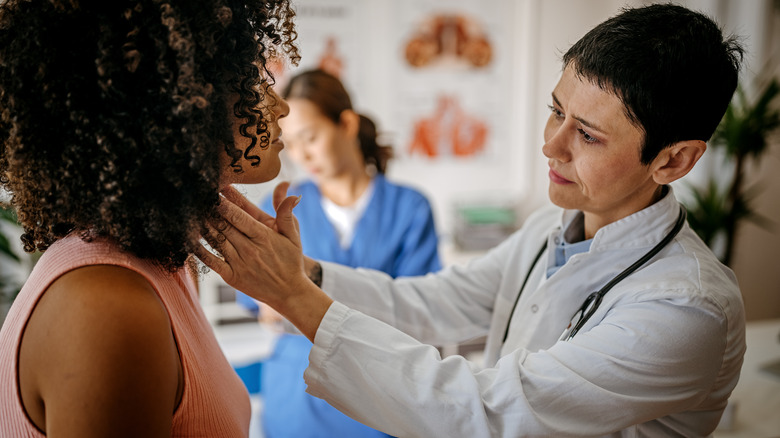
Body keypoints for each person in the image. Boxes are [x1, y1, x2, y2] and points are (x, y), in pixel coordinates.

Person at [198, 4, 746, 437]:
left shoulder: (686, 310)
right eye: (557, 111)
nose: (549, 145)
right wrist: (308, 276)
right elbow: (435, 302)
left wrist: (295, 298)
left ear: (673, 159)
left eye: (587, 135)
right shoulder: (548, 230)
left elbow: (491, 414)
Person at [0, 0, 297, 436]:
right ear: (177, 105)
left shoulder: (158, 263)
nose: (280, 106)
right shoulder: (107, 307)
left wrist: (295, 288)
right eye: (254, 80)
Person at [238, 69, 441, 438]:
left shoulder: (409, 207)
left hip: (380, 389)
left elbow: (419, 311)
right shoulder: (283, 206)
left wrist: (301, 296)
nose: (301, 155)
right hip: (297, 391)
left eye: (311, 137)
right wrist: (270, 304)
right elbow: (255, 298)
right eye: (290, 143)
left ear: (345, 124)